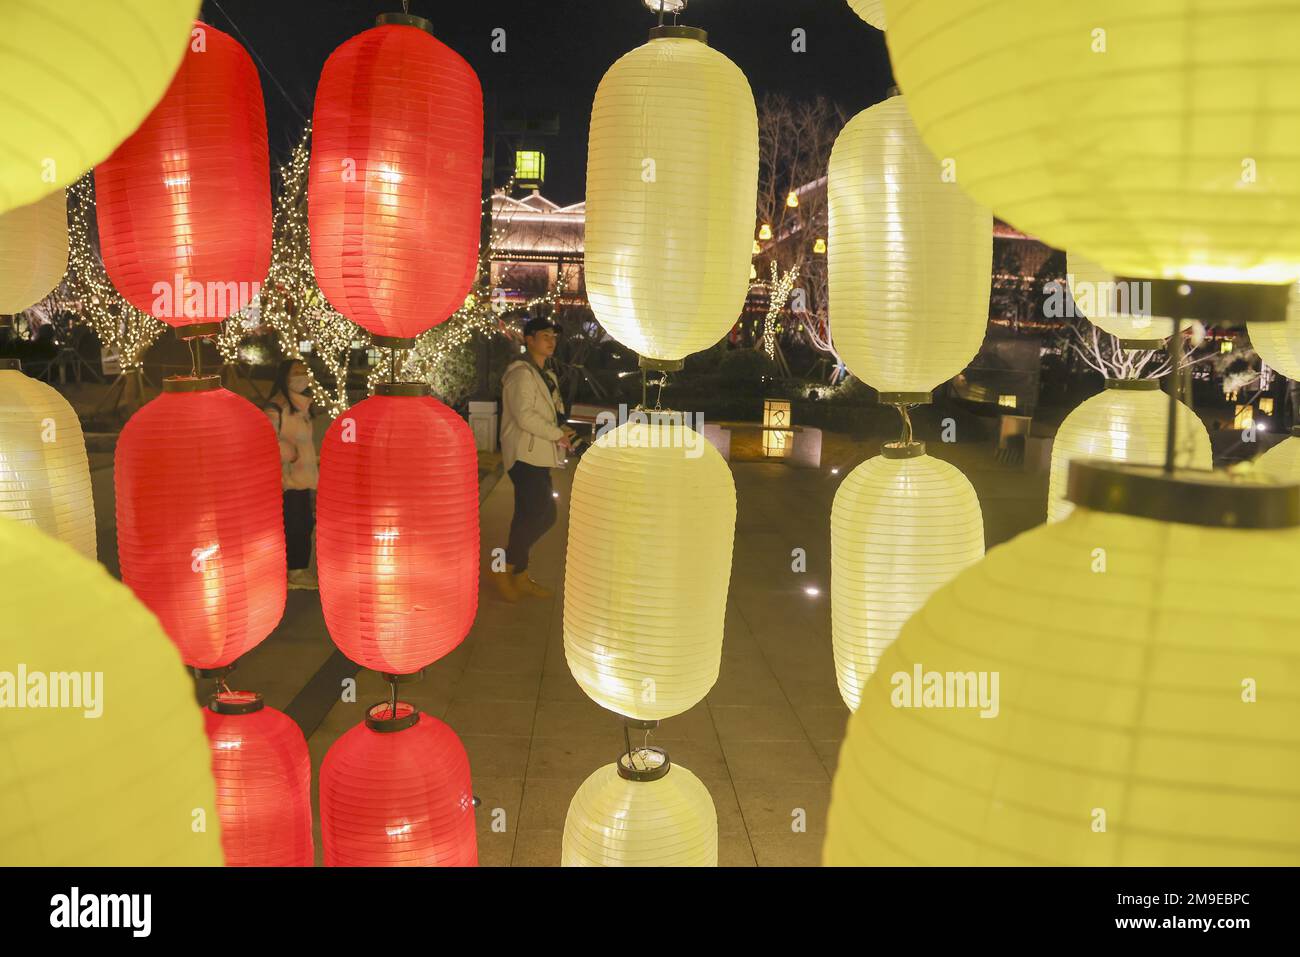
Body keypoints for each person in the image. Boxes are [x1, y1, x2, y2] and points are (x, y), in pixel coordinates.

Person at [496, 315, 576, 602]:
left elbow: (552, 413)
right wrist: (556, 433)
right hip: (524, 454)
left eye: (554, 336)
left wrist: (561, 427)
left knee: (527, 517)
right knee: (544, 514)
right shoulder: (521, 374)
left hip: (539, 454)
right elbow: (524, 416)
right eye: (544, 336)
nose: (551, 341)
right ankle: (503, 566)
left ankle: (517, 573)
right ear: (528, 339)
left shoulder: (547, 376)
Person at [266, 359, 319, 590]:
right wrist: (291, 453)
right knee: (295, 525)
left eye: (303, 371)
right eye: (296, 372)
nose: (302, 376)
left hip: (303, 477)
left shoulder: (301, 408)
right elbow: (267, 440)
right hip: (287, 480)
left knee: (305, 523)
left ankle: (297, 570)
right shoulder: (277, 407)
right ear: (284, 377)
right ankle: (293, 573)